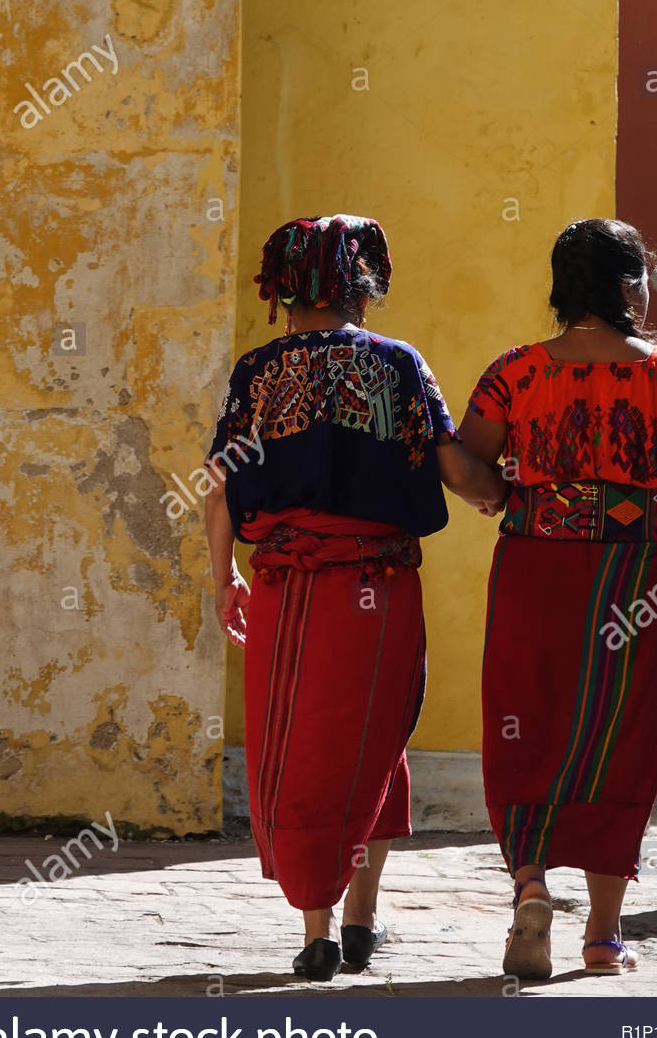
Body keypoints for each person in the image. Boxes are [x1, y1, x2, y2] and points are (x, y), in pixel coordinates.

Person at [204, 214, 505, 981]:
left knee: (300, 743)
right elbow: (458, 471)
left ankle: (320, 928)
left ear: (281, 290)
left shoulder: (257, 371)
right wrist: (504, 495)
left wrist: (222, 580)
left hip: (284, 583)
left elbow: (219, 491)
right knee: (374, 736)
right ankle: (363, 920)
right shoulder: (399, 365)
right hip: (377, 587)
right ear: (363, 284)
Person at [459, 218, 657, 979]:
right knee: (622, 733)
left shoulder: (513, 372)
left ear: (559, 288)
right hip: (634, 573)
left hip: (533, 568)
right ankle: (604, 936)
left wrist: (508, 495)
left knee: (525, 721)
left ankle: (530, 887)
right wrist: (630, 498)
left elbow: (467, 463)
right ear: (631, 287)